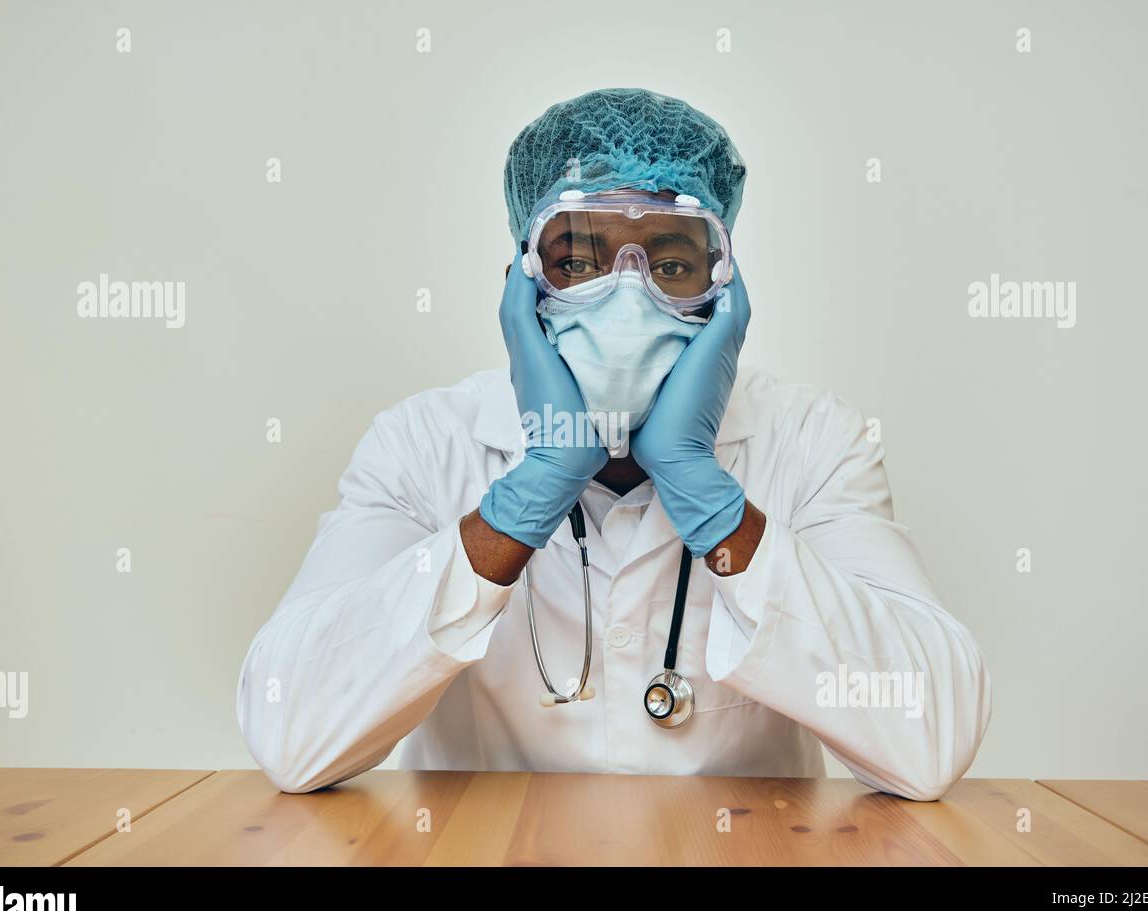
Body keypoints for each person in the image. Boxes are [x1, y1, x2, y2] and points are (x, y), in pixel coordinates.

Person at [236, 88, 991, 801]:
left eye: (669, 264)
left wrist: (704, 490)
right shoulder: (422, 444)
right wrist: (533, 488)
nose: (629, 296)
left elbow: (929, 741)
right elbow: (292, 732)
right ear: (521, 288)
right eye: (580, 262)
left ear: (722, 292)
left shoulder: (814, 442)